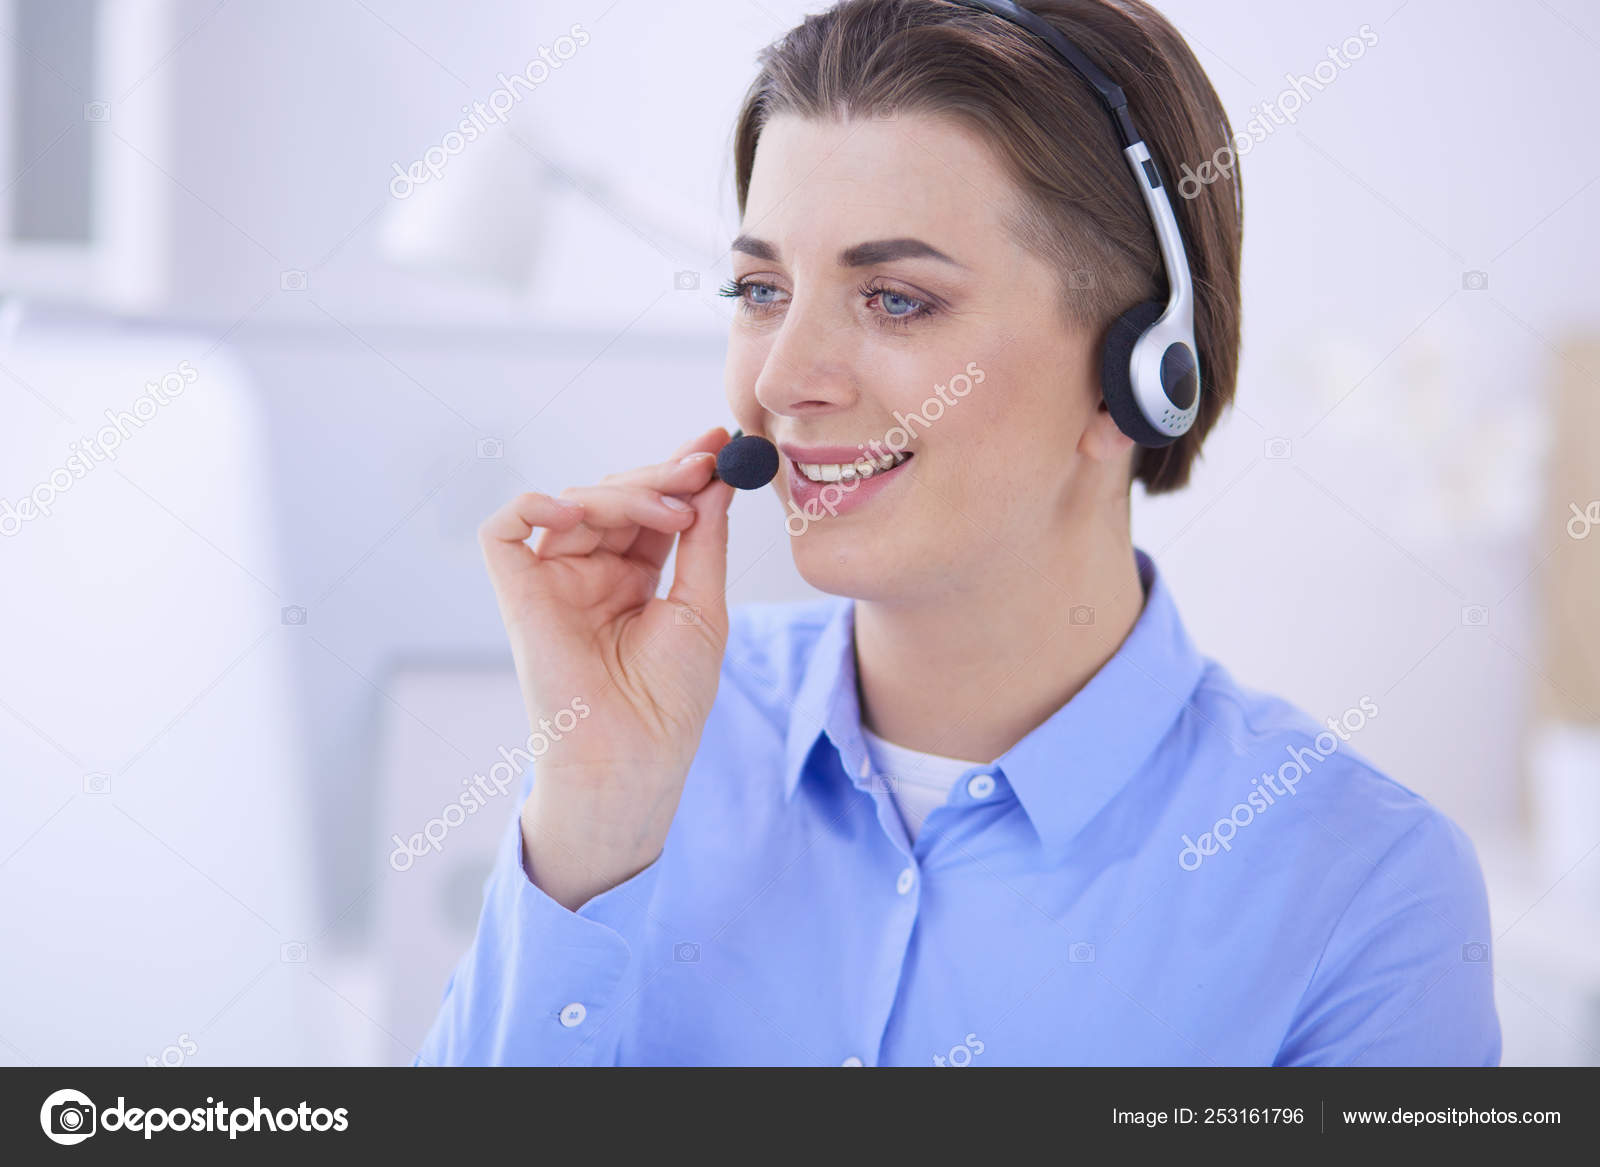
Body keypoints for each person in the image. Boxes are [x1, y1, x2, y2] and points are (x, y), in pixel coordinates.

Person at [419, 0, 1499, 1066]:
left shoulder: (1359, 889)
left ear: (1140, 373)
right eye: (759, 288)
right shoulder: (660, 744)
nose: (783, 380)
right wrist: (593, 828)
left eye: (894, 300)